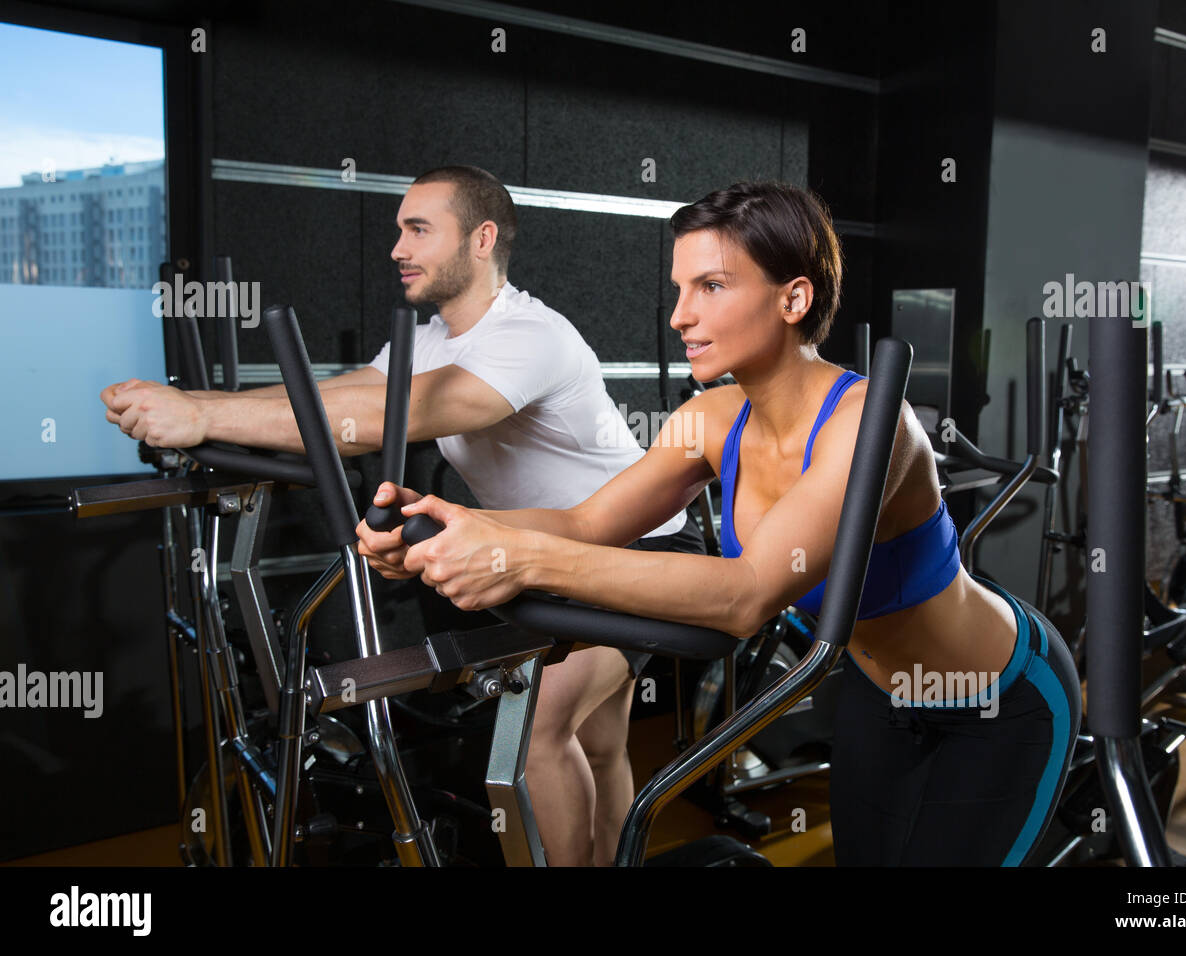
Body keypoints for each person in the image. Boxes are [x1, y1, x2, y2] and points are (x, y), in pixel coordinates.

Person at [359, 180, 1083, 866]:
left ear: (794, 297)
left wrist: (516, 560)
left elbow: (746, 595)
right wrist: (449, 523)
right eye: (680, 289)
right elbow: (586, 521)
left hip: (996, 699)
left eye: (711, 286)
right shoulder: (710, 420)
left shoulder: (869, 424)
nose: (680, 315)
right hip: (878, 693)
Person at [101, 165, 704, 867]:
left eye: (418, 229)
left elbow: (393, 416)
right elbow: (339, 393)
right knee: (596, 743)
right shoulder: (428, 339)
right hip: (556, 555)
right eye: (397, 229)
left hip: (643, 548)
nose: (397, 246)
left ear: (482, 239)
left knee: (535, 733)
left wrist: (199, 414)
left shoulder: (531, 336)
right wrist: (192, 403)